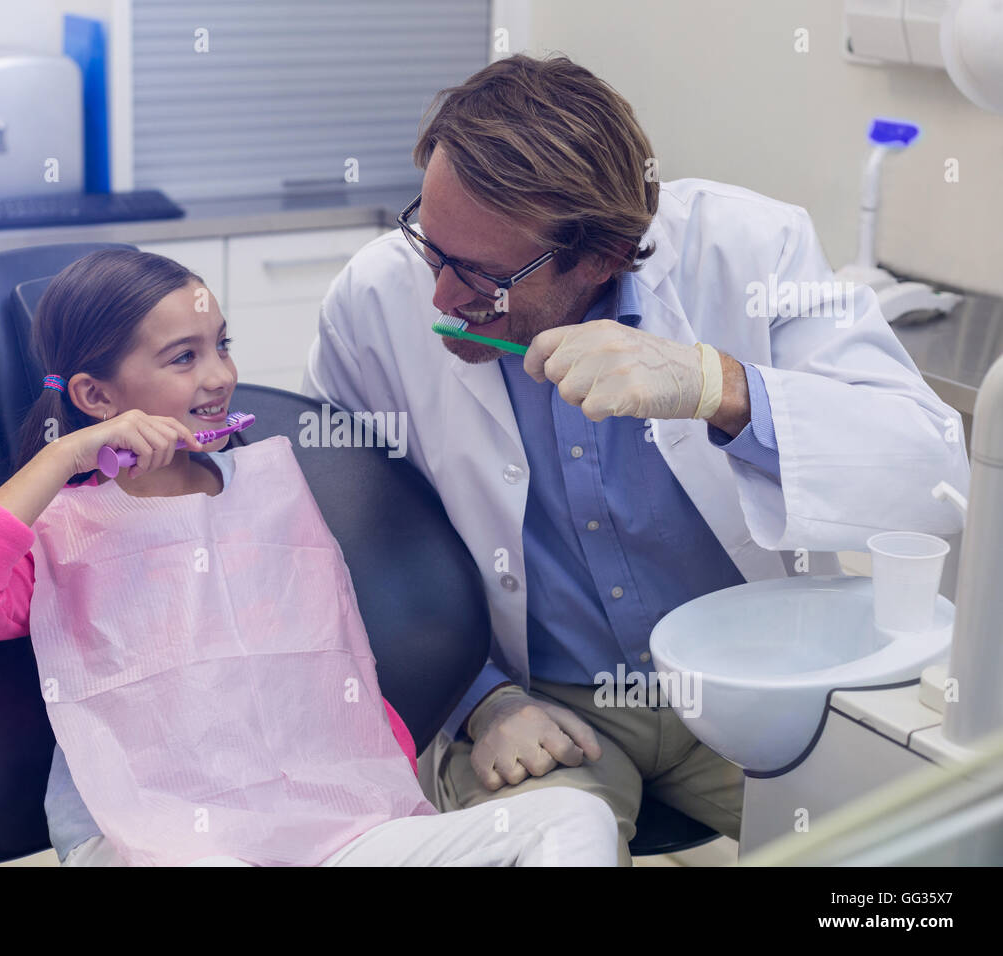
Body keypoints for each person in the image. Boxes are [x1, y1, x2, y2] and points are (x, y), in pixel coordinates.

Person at [301, 54, 970, 866]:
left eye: (479, 274)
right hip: (534, 706)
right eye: (428, 244)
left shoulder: (752, 249)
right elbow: (344, 545)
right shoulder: (374, 302)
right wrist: (479, 703)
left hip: (751, 685)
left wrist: (720, 387)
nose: (440, 298)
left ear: (603, 254)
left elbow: (931, 476)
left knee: (916, 858)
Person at [0, 247, 619, 866]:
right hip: (152, 832)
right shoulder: (59, 530)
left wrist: (382, 784)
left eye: (222, 344)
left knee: (575, 818)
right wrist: (64, 456)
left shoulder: (271, 488)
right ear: (95, 395)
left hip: (328, 821)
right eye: (184, 357)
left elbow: (319, 666)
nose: (220, 375)